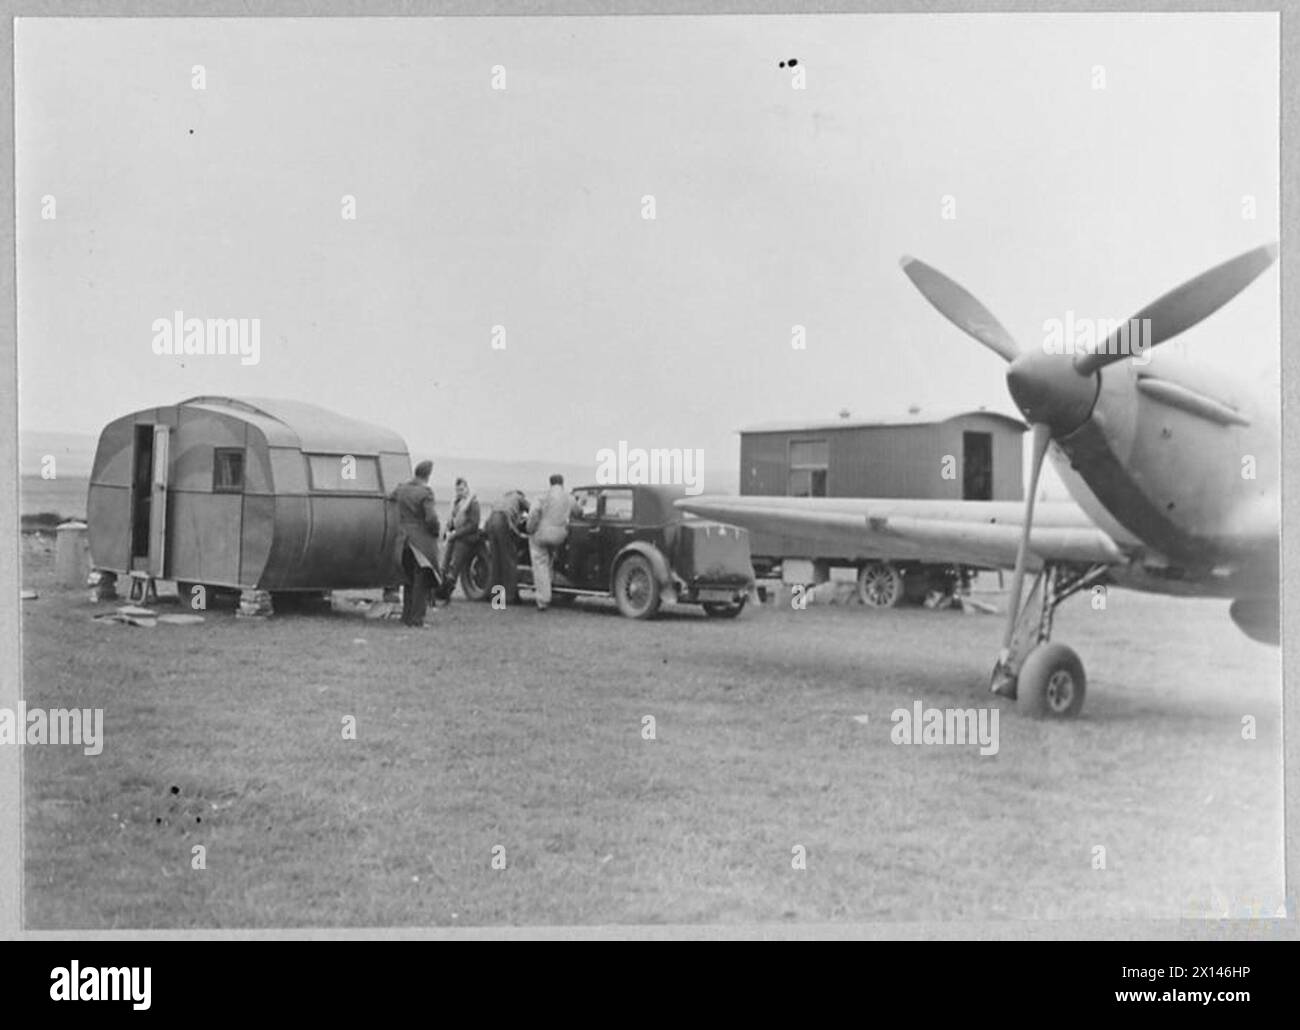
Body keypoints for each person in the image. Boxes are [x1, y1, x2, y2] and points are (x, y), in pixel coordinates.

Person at [390, 460, 441, 628]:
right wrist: (435, 532)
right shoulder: (425, 492)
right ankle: (417, 619)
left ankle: (406, 616)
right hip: (420, 541)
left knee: (409, 579)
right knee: (422, 580)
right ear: (428, 475)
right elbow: (431, 518)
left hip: (403, 539)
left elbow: (391, 496)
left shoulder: (402, 489)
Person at [526, 473, 578, 611]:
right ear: (562, 483)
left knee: (539, 563)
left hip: (542, 536)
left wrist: (530, 530)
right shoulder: (569, 497)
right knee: (550, 560)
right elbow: (579, 511)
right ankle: (551, 585)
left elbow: (533, 514)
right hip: (560, 536)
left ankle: (543, 600)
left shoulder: (542, 496)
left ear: (550, 483)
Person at [437, 477, 481, 602]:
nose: (460, 492)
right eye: (457, 490)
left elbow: (473, 525)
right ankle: (441, 590)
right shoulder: (457, 503)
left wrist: (456, 534)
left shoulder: (473, 504)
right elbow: (453, 521)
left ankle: (446, 593)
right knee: (445, 564)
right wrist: (448, 531)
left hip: (467, 538)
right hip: (455, 536)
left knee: (455, 565)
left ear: (467, 489)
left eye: (462, 489)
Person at [485, 490, 528, 604]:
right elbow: (532, 510)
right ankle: (511, 596)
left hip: (491, 522)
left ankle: (496, 597)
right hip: (502, 522)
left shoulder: (502, 498)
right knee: (509, 561)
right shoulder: (518, 497)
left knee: (496, 562)